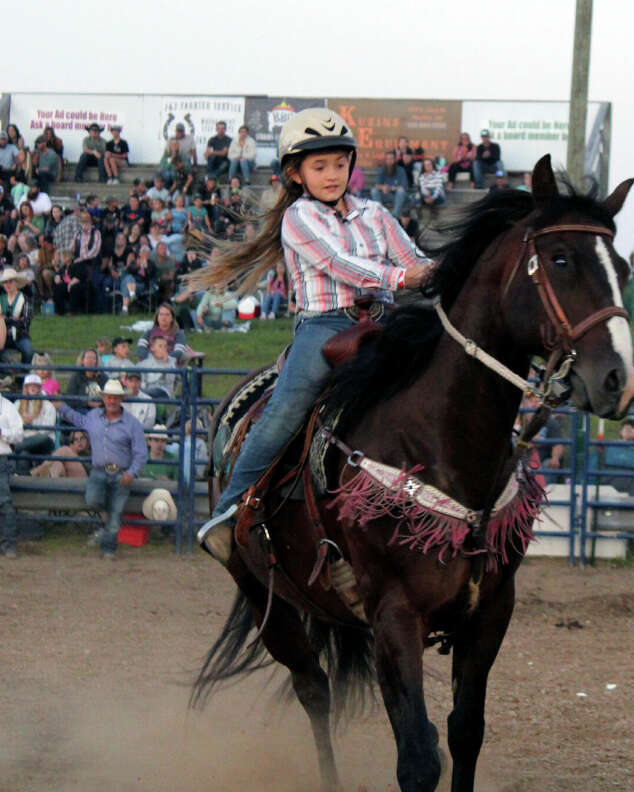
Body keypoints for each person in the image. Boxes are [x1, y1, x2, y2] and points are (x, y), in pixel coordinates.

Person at [190, 109, 434, 563]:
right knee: (285, 411)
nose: (331, 174)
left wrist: (439, 273)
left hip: (383, 323)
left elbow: (413, 256)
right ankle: (227, 513)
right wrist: (404, 277)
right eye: (319, 166)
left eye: (339, 164)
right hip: (324, 327)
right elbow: (342, 266)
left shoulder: (376, 214)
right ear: (295, 174)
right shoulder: (299, 219)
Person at [55, 379, 146, 561]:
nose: (111, 401)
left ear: (120, 400)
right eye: (108, 397)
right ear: (103, 398)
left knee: (115, 513)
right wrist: (60, 406)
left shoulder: (132, 424)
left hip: (121, 472)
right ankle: (107, 534)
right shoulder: (94, 416)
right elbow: (75, 418)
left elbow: (141, 453)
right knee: (93, 501)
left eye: (115, 398)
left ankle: (108, 549)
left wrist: (131, 472)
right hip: (99, 470)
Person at [0, 370, 22, 557]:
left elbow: (18, 434)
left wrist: (1, 432)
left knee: (4, 504)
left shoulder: (9, 407)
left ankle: (8, 545)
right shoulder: (8, 407)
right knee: (4, 504)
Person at [0, 267, 34, 367]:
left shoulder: (25, 299)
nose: (7, 285)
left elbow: (26, 322)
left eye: (10, 282)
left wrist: (4, 319)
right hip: (1, 337)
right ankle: (2, 375)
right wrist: (14, 319)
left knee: (28, 351)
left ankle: (22, 377)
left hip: (20, 335)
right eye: (5, 282)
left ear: (16, 282)